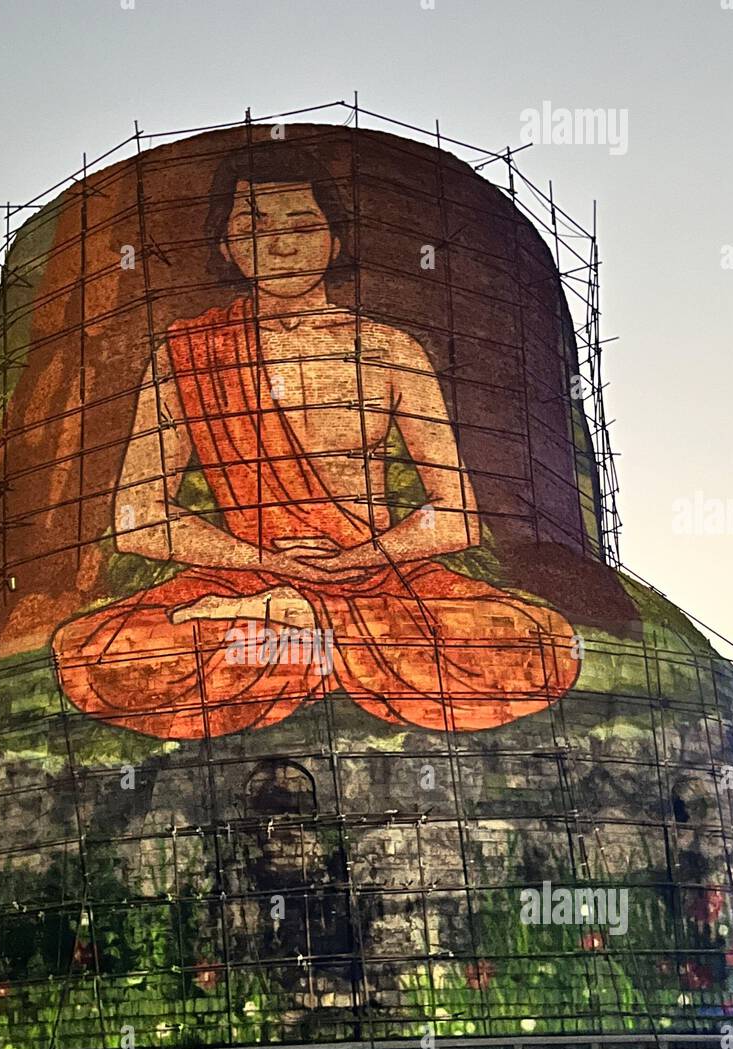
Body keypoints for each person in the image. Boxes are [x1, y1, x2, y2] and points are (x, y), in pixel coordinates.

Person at [53, 145, 579, 740]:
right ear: (225, 243)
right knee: (110, 655)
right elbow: (138, 519)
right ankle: (301, 626)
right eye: (253, 226)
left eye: (303, 225)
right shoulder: (187, 356)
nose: (280, 245)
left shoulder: (389, 352)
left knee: (535, 644)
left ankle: (299, 627)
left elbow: (455, 518)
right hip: (247, 578)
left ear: (335, 239)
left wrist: (346, 565)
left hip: (379, 579)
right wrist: (268, 565)